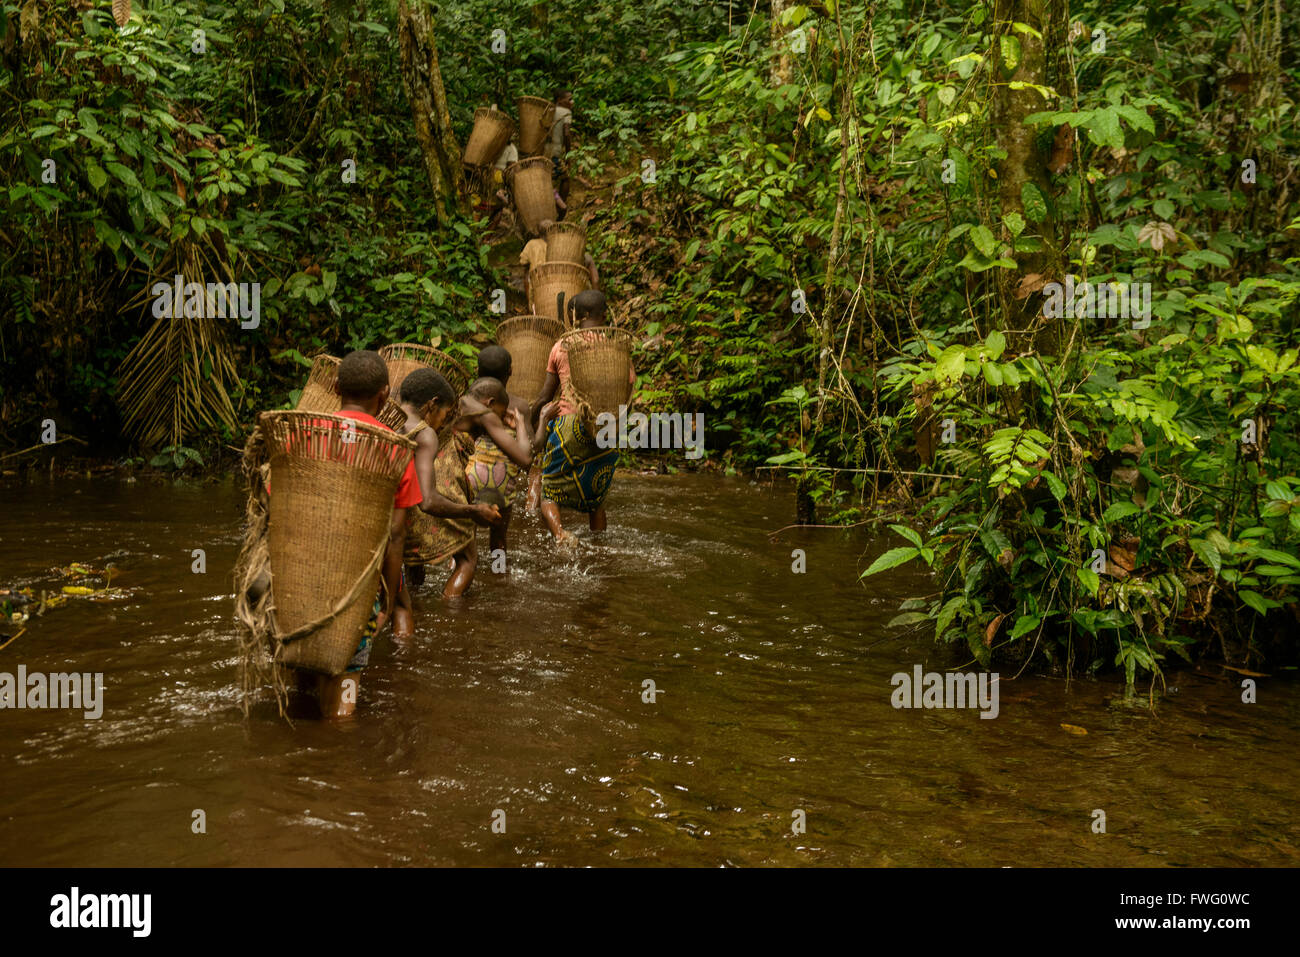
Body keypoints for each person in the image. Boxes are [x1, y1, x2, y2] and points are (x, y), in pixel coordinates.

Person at [529, 291, 635, 548]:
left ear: (581, 316)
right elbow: (629, 385)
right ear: (602, 315)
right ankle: (599, 550)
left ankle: (560, 535)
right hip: (606, 428)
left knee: (549, 491)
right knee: (596, 500)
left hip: (569, 426)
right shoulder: (616, 347)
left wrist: (534, 418)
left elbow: (545, 394)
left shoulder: (563, 346)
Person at [394, 368, 501, 617]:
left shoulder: (387, 419)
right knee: (468, 556)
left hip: (395, 518)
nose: (444, 421)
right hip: (415, 507)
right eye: (445, 413)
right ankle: (448, 611)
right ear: (432, 404)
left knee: (410, 571)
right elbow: (428, 502)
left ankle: (417, 601)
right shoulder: (426, 432)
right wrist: (474, 511)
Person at [462, 373, 534, 557]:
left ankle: (456, 568)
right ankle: (499, 573)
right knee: (499, 540)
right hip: (500, 495)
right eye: (502, 412)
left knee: (463, 541)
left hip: (466, 490)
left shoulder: (462, 416)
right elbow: (526, 457)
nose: (502, 417)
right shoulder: (493, 423)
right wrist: (519, 424)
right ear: (490, 403)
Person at [545, 89, 573, 208]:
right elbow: (566, 133)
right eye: (569, 99)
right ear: (559, 100)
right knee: (565, 177)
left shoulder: (548, 110)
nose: (572, 102)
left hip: (542, 151)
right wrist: (568, 155)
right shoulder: (566, 112)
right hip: (554, 152)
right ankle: (560, 208)